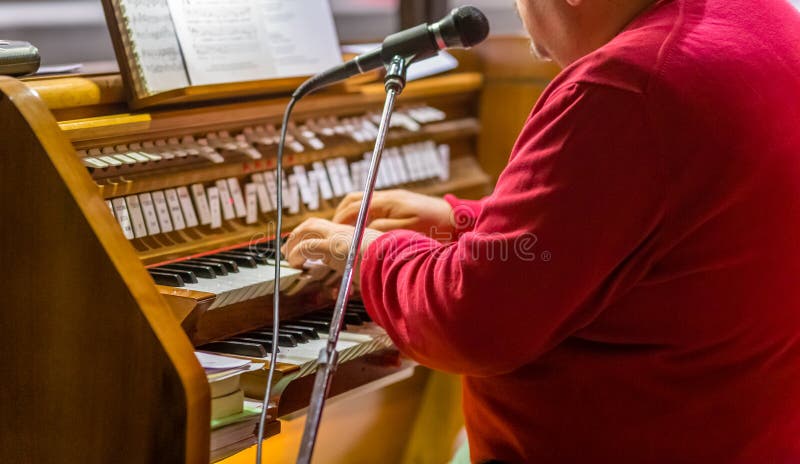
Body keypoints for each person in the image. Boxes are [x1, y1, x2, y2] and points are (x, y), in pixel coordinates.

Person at [282, 0, 800, 461]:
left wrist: (365, 251)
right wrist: (471, 222)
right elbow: (638, 219)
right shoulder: (769, 19)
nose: (533, 45)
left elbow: (471, 323)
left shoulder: (626, 83)